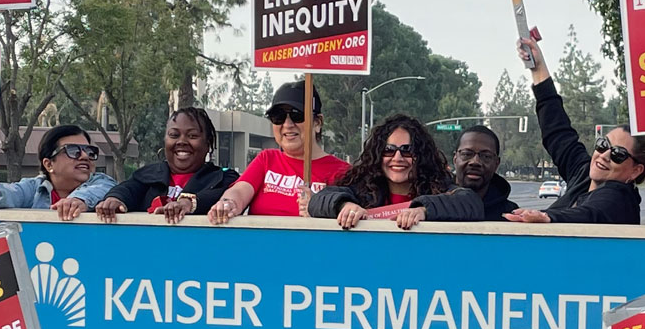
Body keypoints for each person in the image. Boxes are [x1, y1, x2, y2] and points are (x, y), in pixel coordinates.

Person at [505, 32, 645, 224]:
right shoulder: (583, 175)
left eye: (618, 154)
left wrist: (548, 217)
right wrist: (538, 68)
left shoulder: (619, 198)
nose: (604, 155)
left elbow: (591, 213)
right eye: (603, 144)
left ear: (635, 171)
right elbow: (558, 133)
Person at [207, 81, 348, 220]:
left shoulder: (343, 171)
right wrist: (229, 203)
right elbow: (240, 190)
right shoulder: (267, 159)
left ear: (317, 123)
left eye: (297, 115)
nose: (287, 125)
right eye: (278, 117)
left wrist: (319, 206)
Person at [307, 113, 456, 229]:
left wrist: (424, 210)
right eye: (389, 150)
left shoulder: (440, 189)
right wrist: (344, 205)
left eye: (407, 150)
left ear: (422, 155)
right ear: (377, 155)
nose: (397, 158)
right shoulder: (361, 191)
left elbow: (469, 202)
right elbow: (318, 200)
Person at [92, 107, 237, 223]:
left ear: (208, 143)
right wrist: (114, 199)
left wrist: (188, 203)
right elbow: (128, 189)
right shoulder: (147, 174)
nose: (182, 141)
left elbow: (223, 197)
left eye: (192, 136)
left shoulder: (224, 178)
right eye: (174, 135)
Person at [0, 124, 115, 218]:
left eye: (89, 151)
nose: (84, 156)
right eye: (73, 151)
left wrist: (78, 201)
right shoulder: (34, 188)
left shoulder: (103, 183)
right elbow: (6, 194)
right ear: (48, 164)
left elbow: (106, 190)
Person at [422, 124, 516, 221]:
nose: (475, 162)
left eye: (486, 156)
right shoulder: (426, 205)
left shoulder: (511, 216)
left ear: (497, 163)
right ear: (455, 158)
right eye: (467, 154)